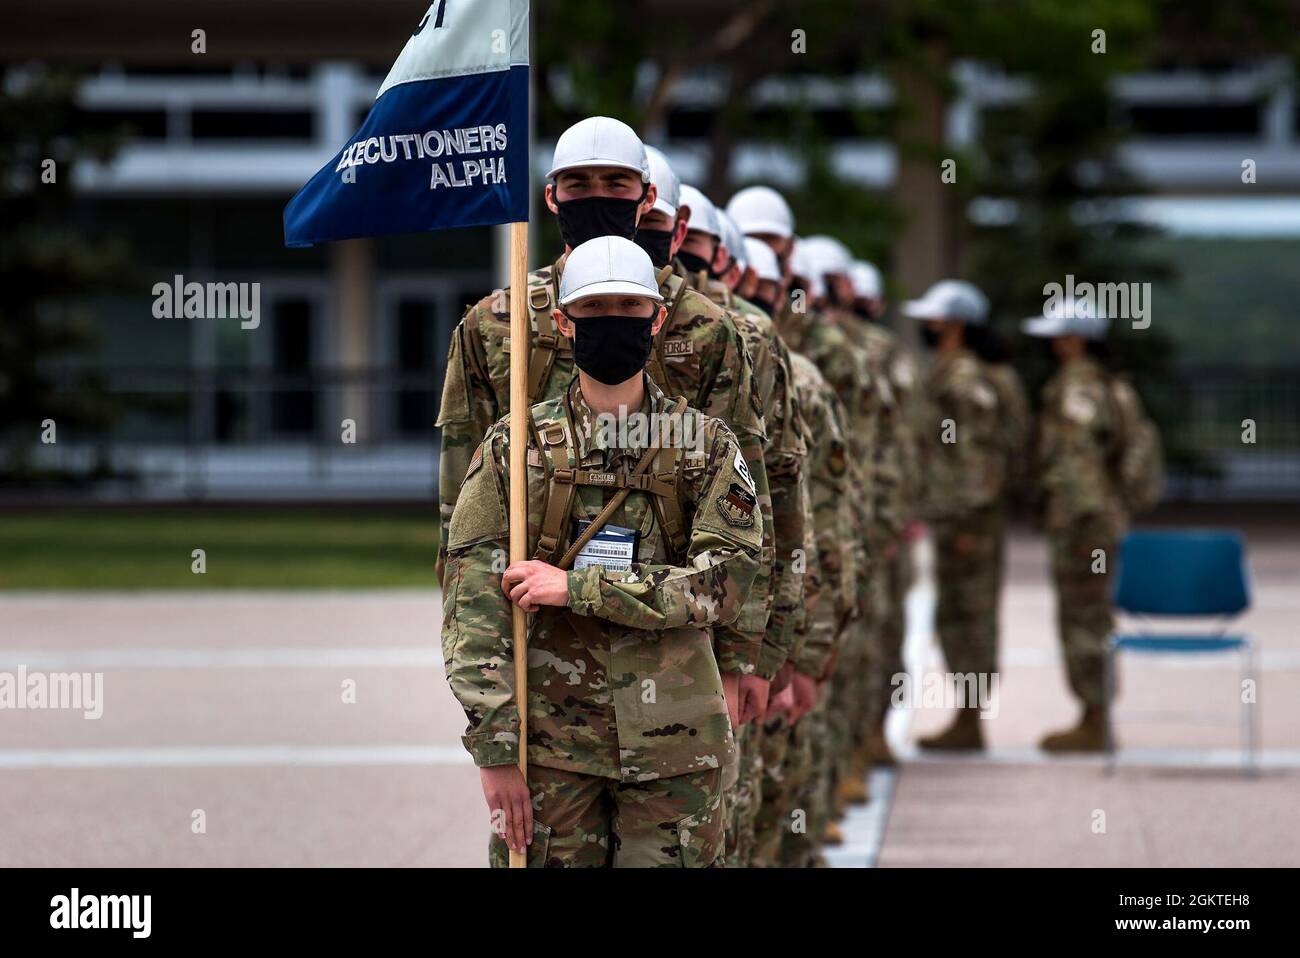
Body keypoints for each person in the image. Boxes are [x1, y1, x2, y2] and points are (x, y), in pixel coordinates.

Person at [437, 117, 775, 725]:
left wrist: (748, 650)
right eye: (579, 183)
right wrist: (483, 677)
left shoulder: (709, 330)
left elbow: (756, 491)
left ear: (648, 198)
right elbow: (461, 504)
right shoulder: (496, 325)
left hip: (676, 645)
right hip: (539, 644)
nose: (597, 197)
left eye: (616, 183)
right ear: (551, 196)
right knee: (527, 821)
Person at [442, 236, 764, 867]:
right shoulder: (516, 449)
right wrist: (497, 750)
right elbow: (473, 608)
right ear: (562, 322)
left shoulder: (703, 446)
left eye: (629, 307)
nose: (613, 321)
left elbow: (724, 583)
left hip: (676, 751)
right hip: (551, 750)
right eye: (593, 310)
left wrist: (579, 589)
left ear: (658, 319)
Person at [1021, 298, 1161, 752]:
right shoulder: (1109, 385)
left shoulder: (1076, 388)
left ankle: (1094, 719)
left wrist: (1078, 520)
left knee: (1083, 618)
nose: (1053, 344)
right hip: (1102, 517)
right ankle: (1093, 714)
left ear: (1077, 339)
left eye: (1059, 335)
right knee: (1092, 616)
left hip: (1085, 523)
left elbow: (1077, 459)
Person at [905, 280, 1010, 750]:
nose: (926, 327)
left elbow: (977, 455)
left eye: (934, 319)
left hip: (969, 519)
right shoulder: (950, 371)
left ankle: (971, 719)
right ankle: (967, 717)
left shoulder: (964, 378)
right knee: (957, 615)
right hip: (956, 515)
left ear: (955, 326)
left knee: (970, 617)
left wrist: (969, 520)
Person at [849, 258, 921, 767]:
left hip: (854, 512)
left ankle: (859, 743)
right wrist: (903, 507)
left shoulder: (822, 347)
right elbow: (908, 438)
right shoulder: (886, 354)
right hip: (876, 509)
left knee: (863, 629)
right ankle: (872, 733)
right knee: (883, 626)